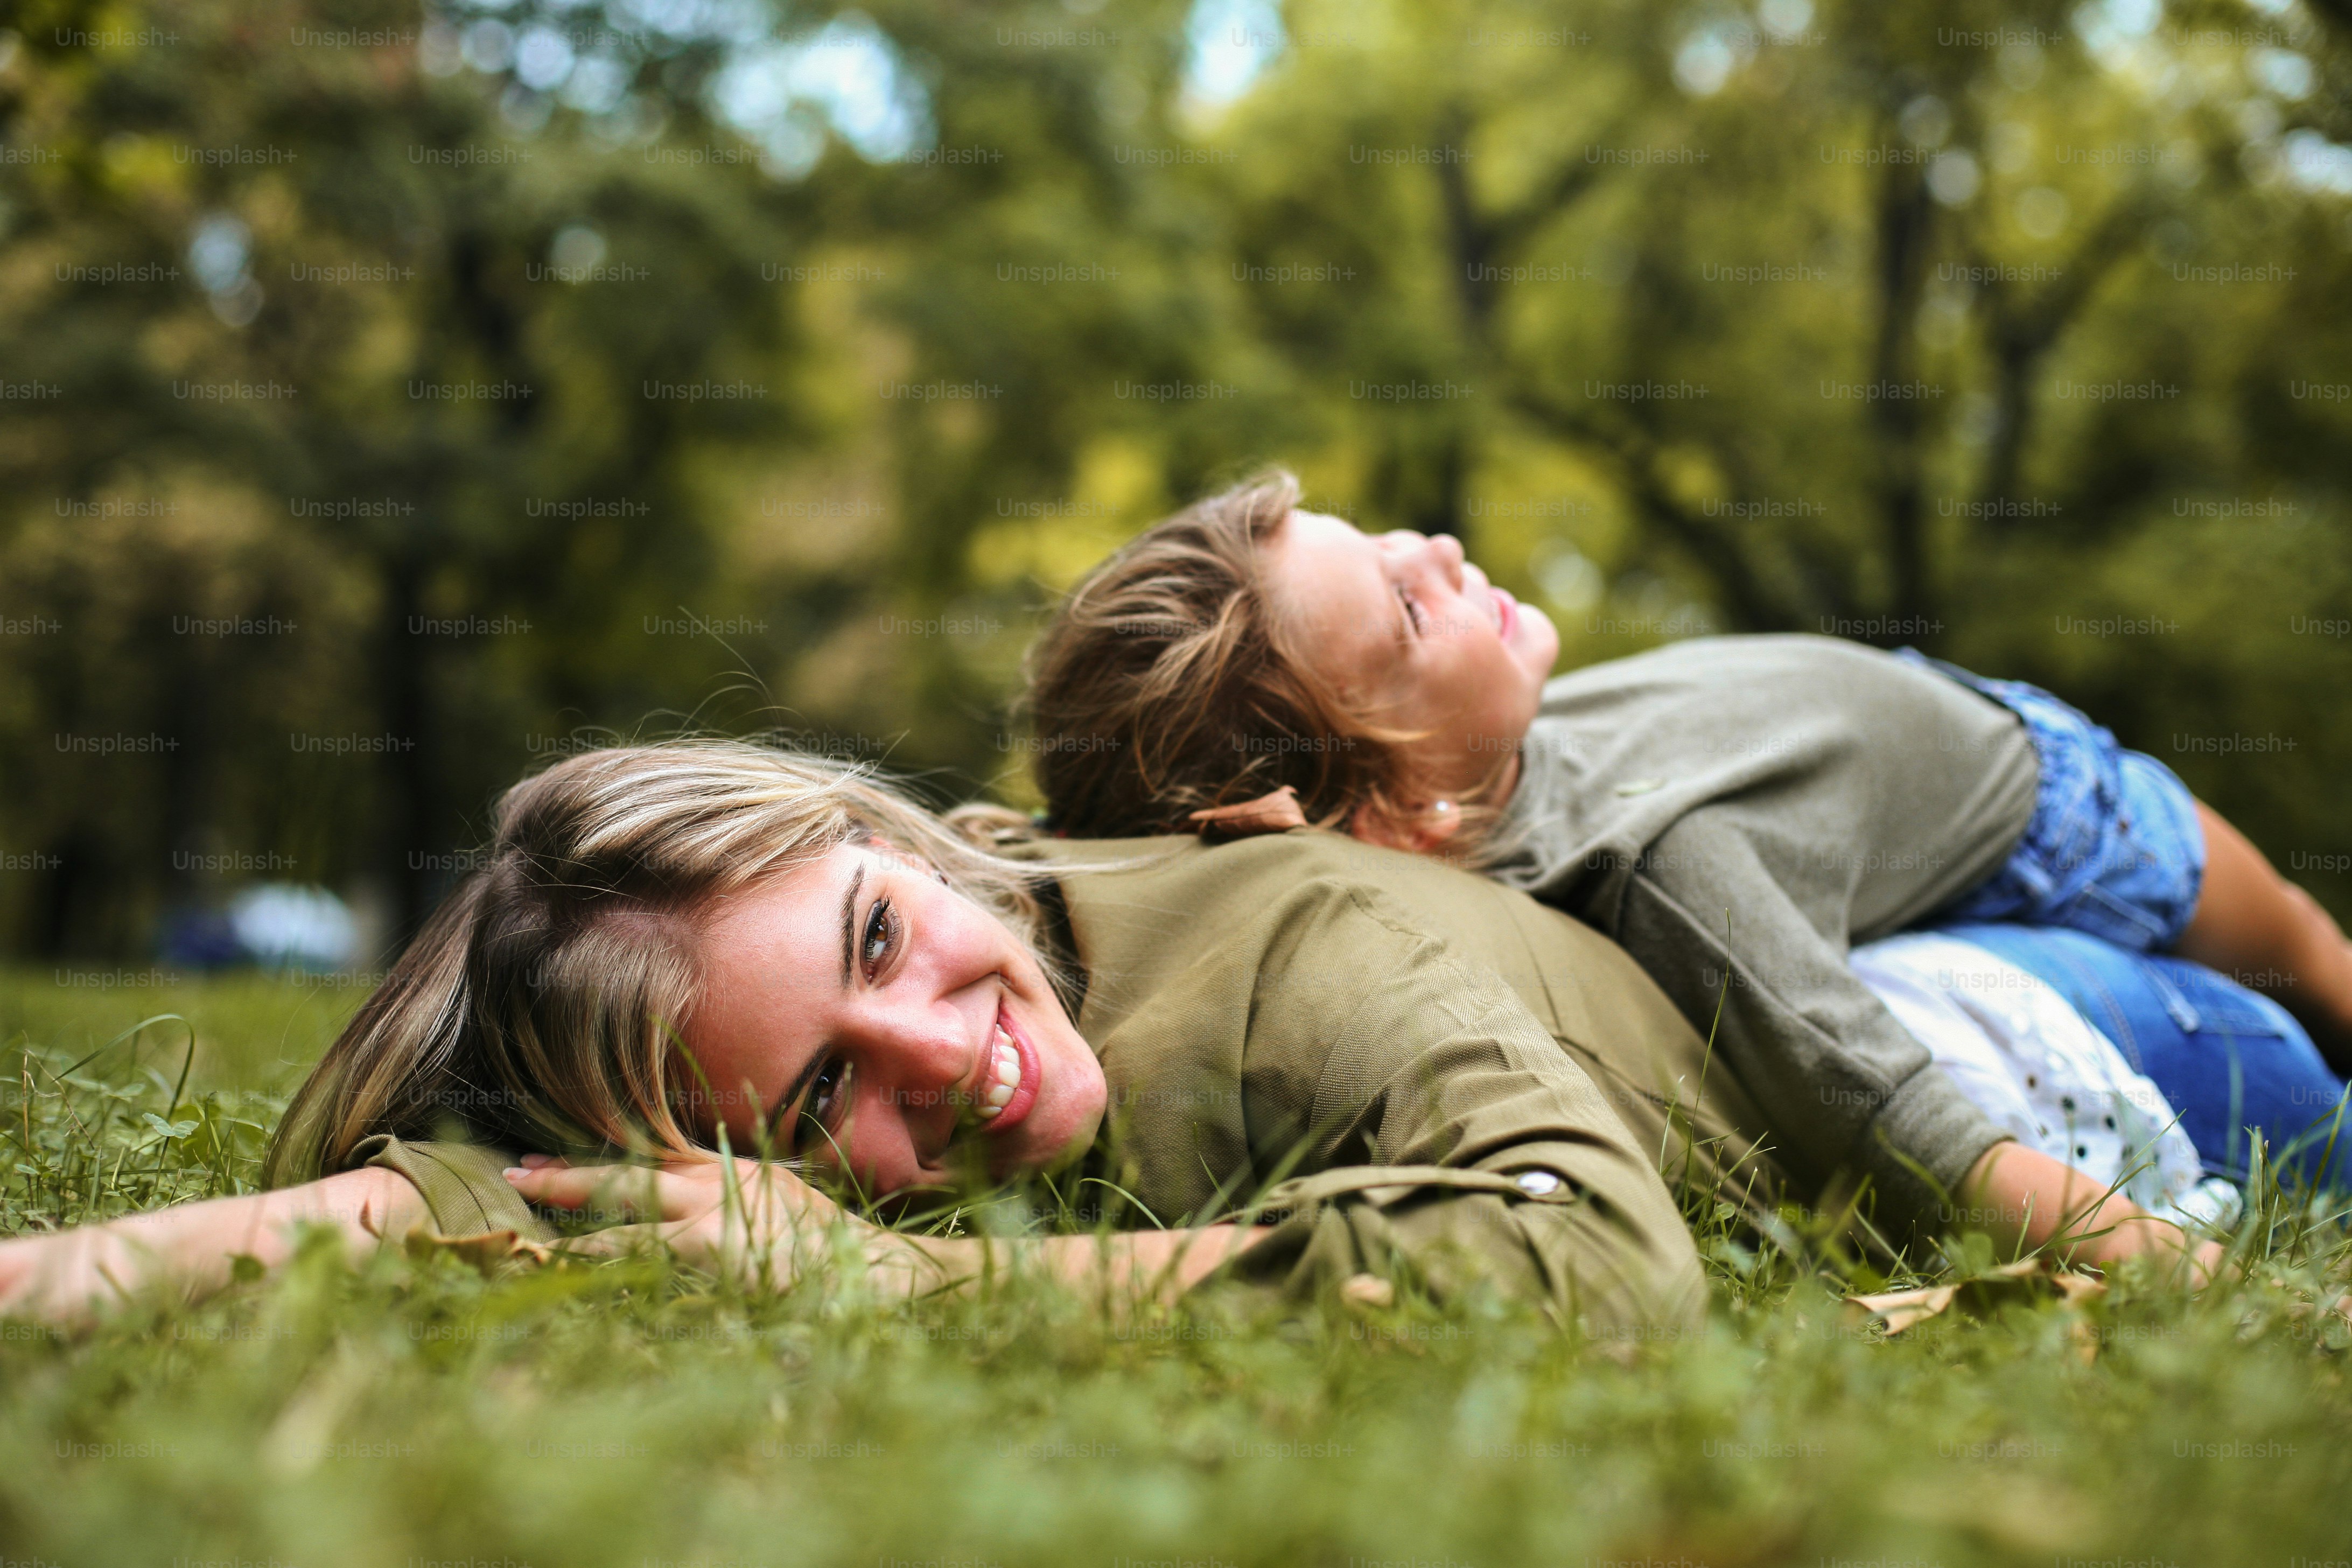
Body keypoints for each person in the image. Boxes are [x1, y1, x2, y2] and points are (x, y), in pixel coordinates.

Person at [3, 741, 1770, 1332]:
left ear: (896, 840)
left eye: (877, 935)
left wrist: (908, 1284)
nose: (937, 1053)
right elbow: (483, 1199)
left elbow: (1597, 1262)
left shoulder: (1308, 949)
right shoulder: (801, 1160)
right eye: (826, 1085)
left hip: (1991, 1026)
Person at [1018, 470, 2352, 1243]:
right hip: (2055, 815)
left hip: (1981, 731)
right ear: (1382, 814)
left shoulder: (1471, 770)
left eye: (1383, 541)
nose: (1432, 544)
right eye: (1409, 609)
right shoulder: (1669, 874)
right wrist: (2179, 1274)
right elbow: (1900, 1119)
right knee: (2298, 951)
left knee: (2311, 954)